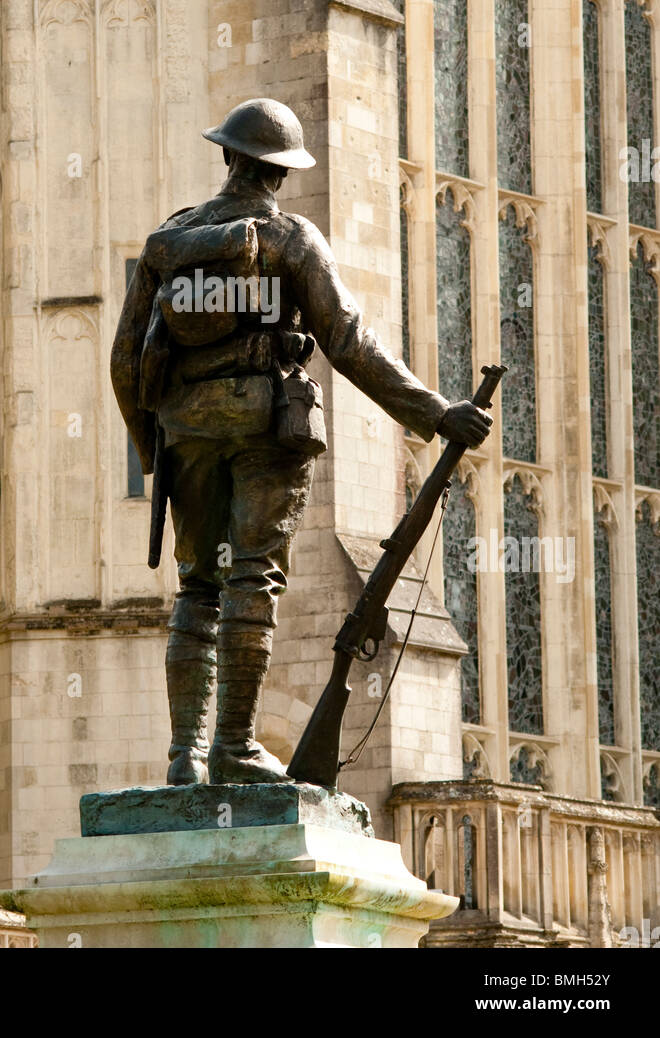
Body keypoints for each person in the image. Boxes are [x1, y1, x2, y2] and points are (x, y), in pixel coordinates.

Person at [111, 99, 492, 785]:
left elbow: (123, 361)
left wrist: (153, 447)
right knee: (252, 577)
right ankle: (232, 747)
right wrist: (437, 413)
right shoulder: (291, 239)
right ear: (280, 173)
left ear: (228, 156)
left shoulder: (168, 240)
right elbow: (349, 343)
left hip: (187, 432)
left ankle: (184, 758)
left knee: (196, 587)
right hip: (265, 428)